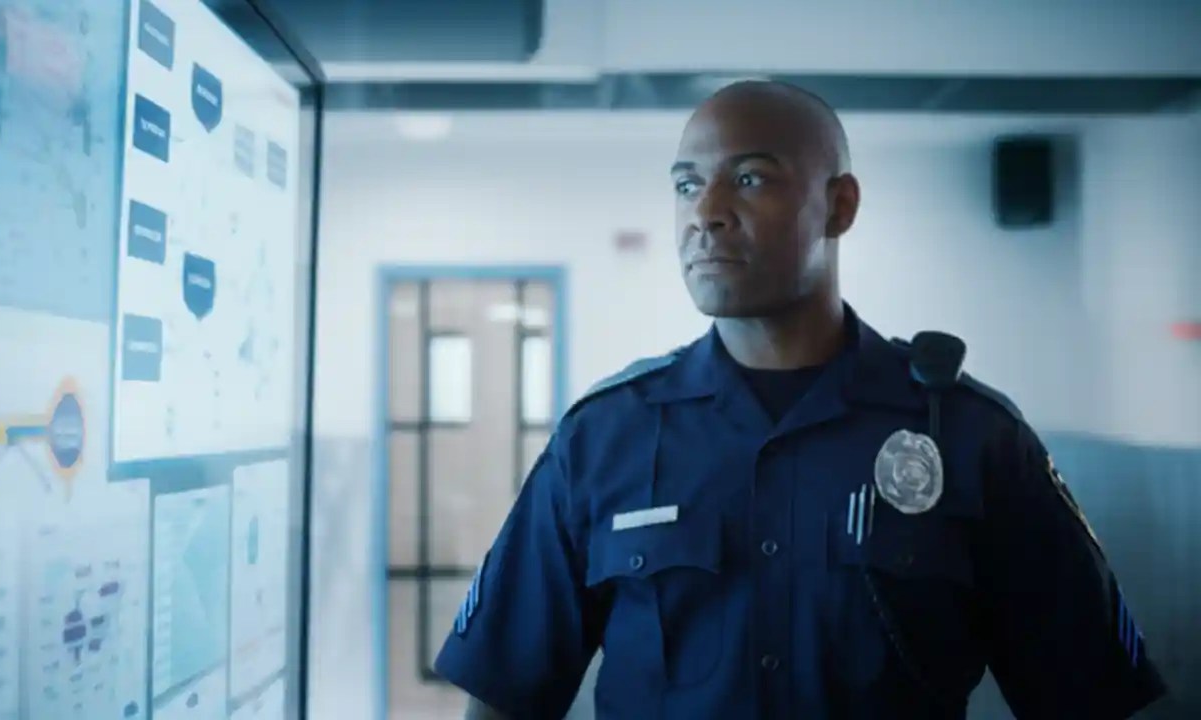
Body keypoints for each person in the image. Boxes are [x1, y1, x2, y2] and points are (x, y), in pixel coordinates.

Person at [433, 80, 1167, 719]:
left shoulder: (973, 438)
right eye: (688, 185)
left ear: (838, 206)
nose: (707, 213)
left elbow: (1083, 695)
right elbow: (505, 698)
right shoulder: (604, 439)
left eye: (750, 179)